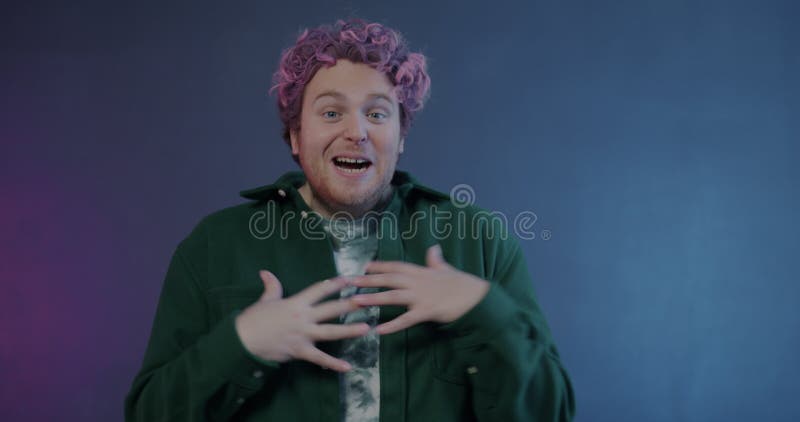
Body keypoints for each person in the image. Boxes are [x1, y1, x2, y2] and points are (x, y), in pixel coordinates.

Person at [124, 19, 575, 422]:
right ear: (296, 136)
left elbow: (549, 413)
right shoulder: (213, 247)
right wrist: (243, 344)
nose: (356, 132)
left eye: (377, 113)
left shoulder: (479, 242)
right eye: (331, 112)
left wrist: (482, 313)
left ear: (400, 137)